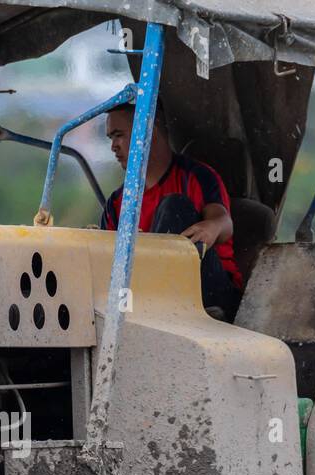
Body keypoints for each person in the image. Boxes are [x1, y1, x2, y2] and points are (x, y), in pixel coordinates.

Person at [101, 103, 243, 319]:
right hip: (143, 300)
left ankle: (196, 315)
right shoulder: (117, 203)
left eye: (118, 135)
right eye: (110, 138)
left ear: (149, 129)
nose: (113, 146)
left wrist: (211, 227)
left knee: (174, 206)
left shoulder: (197, 177)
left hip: (211, 292)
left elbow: (223, 222)